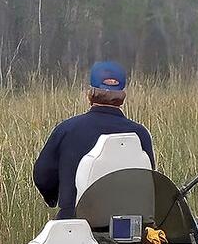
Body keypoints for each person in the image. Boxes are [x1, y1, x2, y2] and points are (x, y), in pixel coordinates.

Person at [33, 61, 155, 219]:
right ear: (122, 96)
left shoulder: (67, 130)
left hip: (74, 223)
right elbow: (148, 180)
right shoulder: (140, 134)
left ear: (90, 94)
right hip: (130, 226)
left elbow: (42, 175)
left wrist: (55, 198)